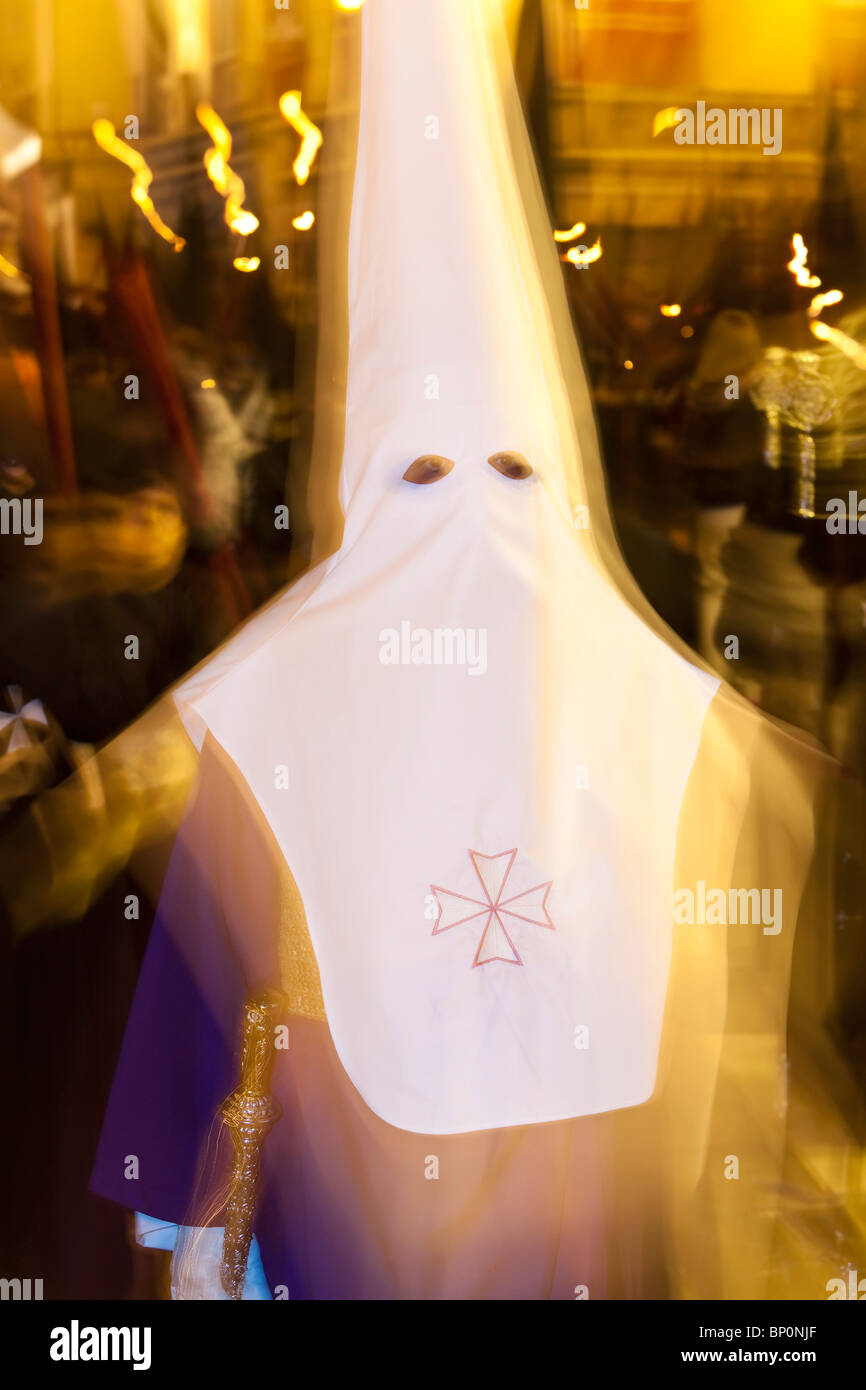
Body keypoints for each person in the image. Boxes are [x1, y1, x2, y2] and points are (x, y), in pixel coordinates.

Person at [92, 0, 822, 1300]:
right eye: (427, 473)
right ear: (365, 487)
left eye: (510, 470)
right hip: (354, 1213)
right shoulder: (280, 707)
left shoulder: (661, 712)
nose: (471, 521)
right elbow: (199, 1010)